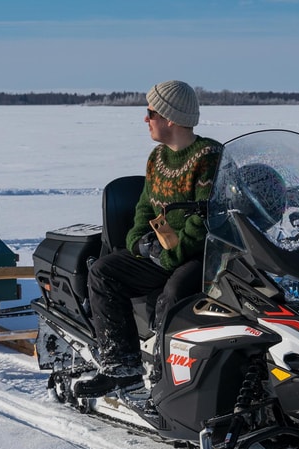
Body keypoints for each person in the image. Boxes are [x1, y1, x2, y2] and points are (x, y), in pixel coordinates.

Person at [74, 80, 224, 398]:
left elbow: (204, 220)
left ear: (170, 117)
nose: (146, 119)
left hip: (203, 255)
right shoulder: (157, 158)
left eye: (151, 113)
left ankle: (165, 382)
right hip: (162, 253)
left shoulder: (208, 157)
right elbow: (144, 209)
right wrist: (140, 243)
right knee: (103, 272)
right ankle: (122, 367)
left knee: (175, 293)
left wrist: (169, 255)